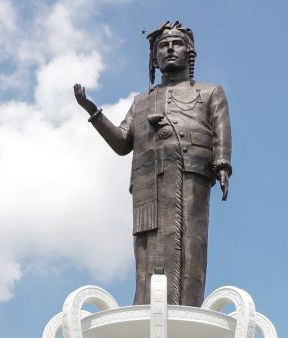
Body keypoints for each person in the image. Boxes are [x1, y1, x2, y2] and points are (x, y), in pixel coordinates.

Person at [73, 21, 232, 307]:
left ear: (190, 53)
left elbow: (221, 128)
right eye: (162, 46)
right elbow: (123, 143)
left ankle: (187, 308)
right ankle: (147, 309)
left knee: (190, 242)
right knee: (148, 248)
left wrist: (222, 163)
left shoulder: (210, 92)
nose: (170, 49)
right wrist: (93, 111)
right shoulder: (142, 101)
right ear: (154, 58)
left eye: (176, 43)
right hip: (149, 182)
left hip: (191, 172)